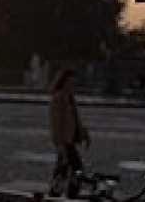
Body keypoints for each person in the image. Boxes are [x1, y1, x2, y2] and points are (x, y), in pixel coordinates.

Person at [48, 67, 89, 198]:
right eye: (70, 83)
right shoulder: (59, 98)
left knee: (64, 170)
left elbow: (75, 120)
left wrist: (84, 134)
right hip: (64, 142)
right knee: (74, 169)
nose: (72, 86)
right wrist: (60, 145)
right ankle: (68, 196)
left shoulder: (69, 98)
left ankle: (58, 195)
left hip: (69, 140)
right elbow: (56, 124)